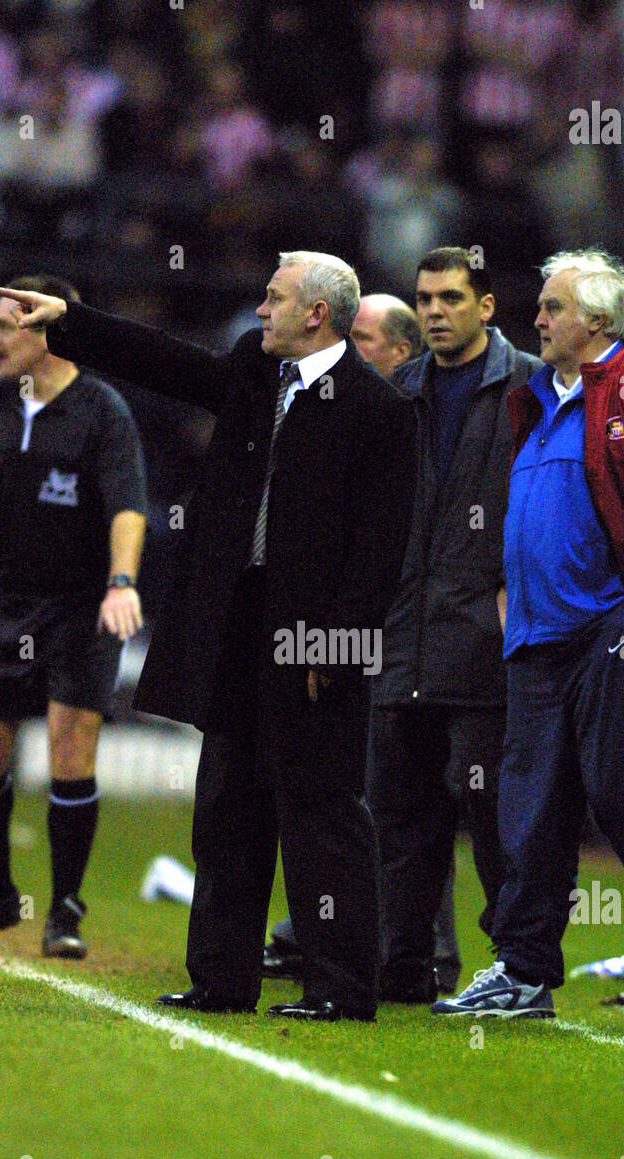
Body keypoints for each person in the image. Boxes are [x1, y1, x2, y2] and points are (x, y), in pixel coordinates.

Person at [0, 251, 418, 1021]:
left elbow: (379, 550)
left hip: (314, 639)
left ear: (315, 312)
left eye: (273, 298)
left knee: (321, 807)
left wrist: (339, 642)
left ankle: (340, 987)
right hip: (236, 622)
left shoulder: (381, 413)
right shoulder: (255, 378)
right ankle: (222, 978)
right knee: (225, 803)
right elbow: (168, 364)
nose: (260, 310)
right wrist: (70, 324)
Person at [434, 249, 624, 1024]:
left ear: (597, 320)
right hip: (534, 637)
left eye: (552, 308)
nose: (536, 319)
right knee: (527, 811)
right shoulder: (534, 401)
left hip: (609, 629)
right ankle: (524, 971)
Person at [0, 275, 147, 960]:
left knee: (69, 749)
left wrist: (120, 583)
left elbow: (128, 507)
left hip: (80, 609)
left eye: (4, 326)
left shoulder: (102, 410)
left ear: (48, 328)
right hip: (3, 600)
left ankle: (65, 908)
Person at [262, 290, 460, 991]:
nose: (353, 346)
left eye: (368, 339)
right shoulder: (349, 413)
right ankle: (347, 939)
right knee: (376, 792)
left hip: (415, 636)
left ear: (399, 355)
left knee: (408, 799)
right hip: (383, 633)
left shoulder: (400, 420)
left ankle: (420, 950)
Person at [366, 247, 541, 1003]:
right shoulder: (398, 391)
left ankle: (516, 968)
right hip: (402, 639)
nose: (434, 310)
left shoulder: (531, 386)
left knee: (495, 818)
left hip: (485, 639)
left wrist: (521, 597)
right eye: (424, 298)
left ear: (486, 306)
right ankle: (401, 966)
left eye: (449, 297)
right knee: (399, 818)